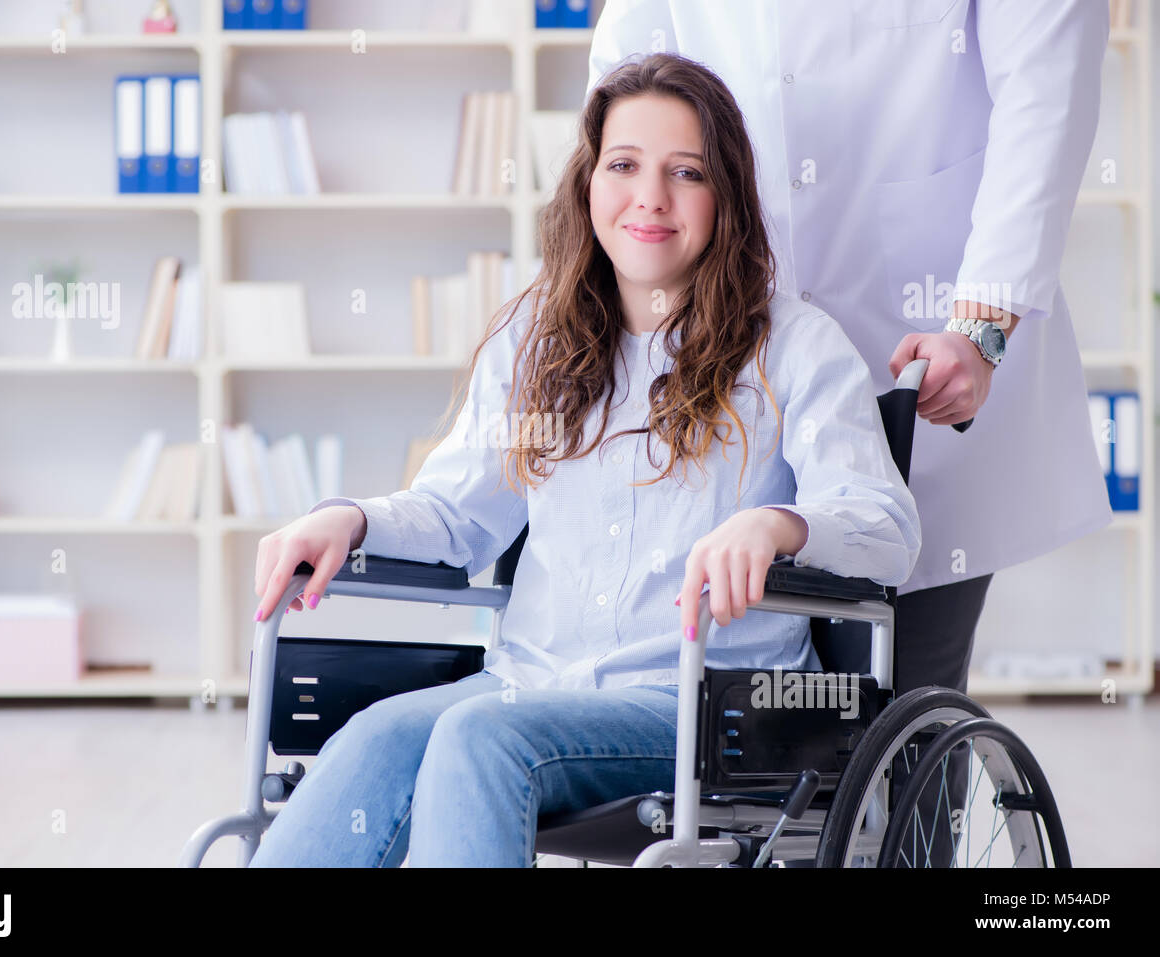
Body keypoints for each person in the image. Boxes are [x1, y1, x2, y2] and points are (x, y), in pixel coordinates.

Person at [247, 54, 920, 868]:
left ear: (727, 199)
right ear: (588, 182)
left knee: (478, 736)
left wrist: (776, 525)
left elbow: (885, 527)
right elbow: (459, 515)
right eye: (624, 165)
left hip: (700, 705)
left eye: (687, 172)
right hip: (527, 686)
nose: (650, 197)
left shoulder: (792, 345)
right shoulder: (538, 342)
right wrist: (347, 518)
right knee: (378, 734)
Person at [585, 0, 1112, 869]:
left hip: (923, 362)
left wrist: (981, 325)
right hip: (721, 354)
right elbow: (627, 86)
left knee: (891, 729)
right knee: (730, 732)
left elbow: (1044, 97)